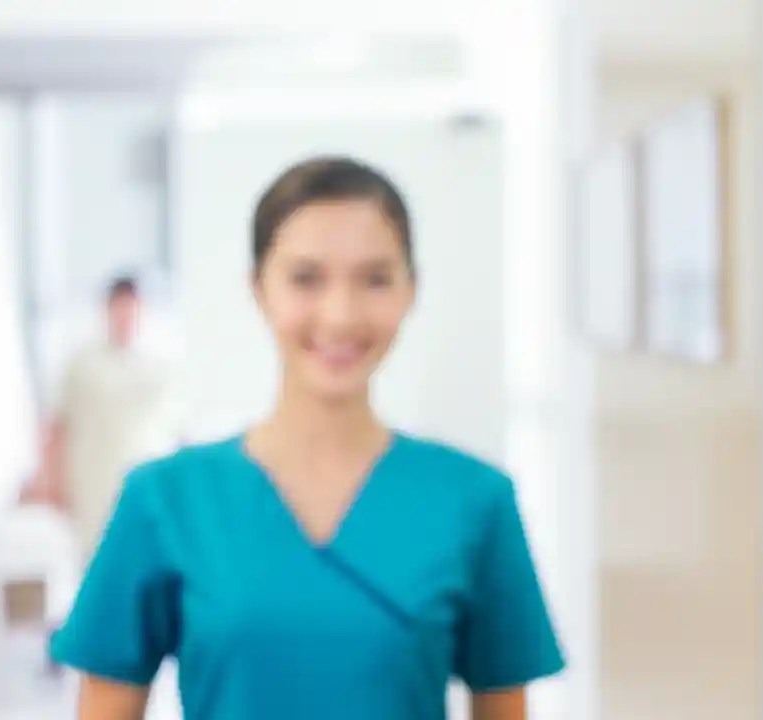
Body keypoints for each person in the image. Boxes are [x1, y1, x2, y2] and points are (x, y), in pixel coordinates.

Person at [50, 157, 565, 719]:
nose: (340, 315)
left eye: (374, 279)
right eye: (306, 278)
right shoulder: (164, 501)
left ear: (410, 291)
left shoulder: (474, 503)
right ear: (258, 289)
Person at [29, 276, 187, 554]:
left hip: (148, 485)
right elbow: (56, 427)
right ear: (108, 310)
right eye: (120, 308)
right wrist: (50, 479)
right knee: (97, 559)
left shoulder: (163, 368)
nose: (126, 316)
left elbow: (179, 435)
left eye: (133, 309)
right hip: (93, 486)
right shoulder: (82, 365)